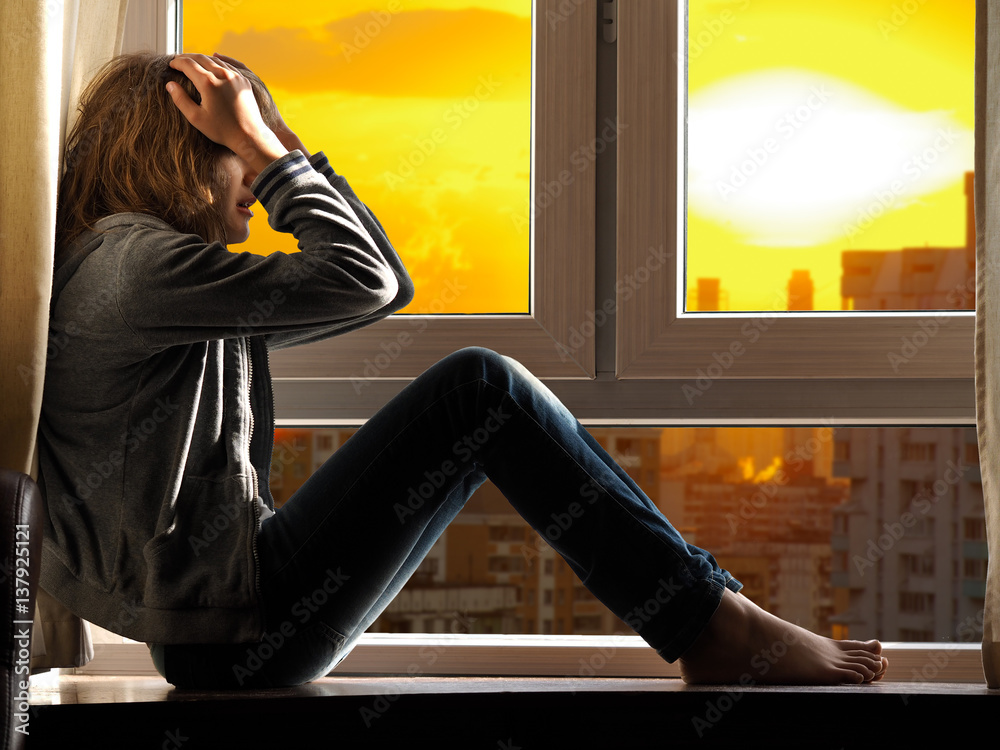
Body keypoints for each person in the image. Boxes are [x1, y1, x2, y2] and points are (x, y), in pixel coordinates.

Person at [38, 52, 887, 689]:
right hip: (233, 635)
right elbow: (363, 278)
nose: (257, 189)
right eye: (237, 154)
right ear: (187, 149)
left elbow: (382, 287)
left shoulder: (144, 272)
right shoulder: (134, 271)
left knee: (479, 392)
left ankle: (713, 622)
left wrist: (288, 152)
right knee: (481, 387)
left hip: (221, 626)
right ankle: (714, 626)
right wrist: (269, 150)